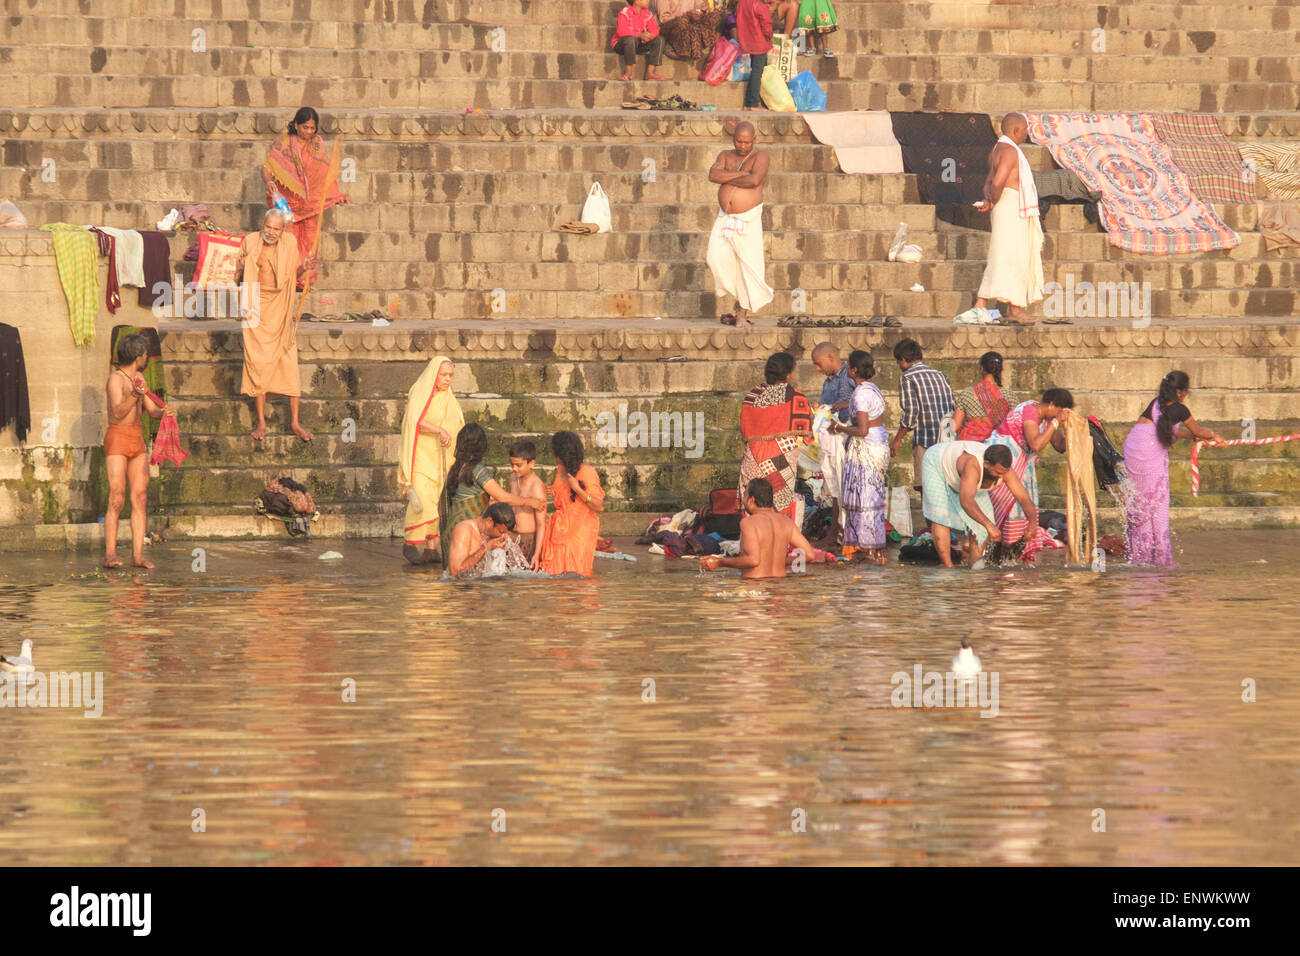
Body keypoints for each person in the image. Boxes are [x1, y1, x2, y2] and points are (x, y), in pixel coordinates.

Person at [1123, 371, 1227, 565]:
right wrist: (1213, 435)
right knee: (1157, 503)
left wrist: (1196, 437)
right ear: (1180, 392)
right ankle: (1159, 559)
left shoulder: (1156, 403)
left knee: (1141, 503)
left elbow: (1168, 430)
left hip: (1132, 449)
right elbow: (1198, 430)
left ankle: (1139, 556)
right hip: (1148, 455)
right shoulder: (1180, 409)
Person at [955, 112, 1044, 326]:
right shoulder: (1010, 152)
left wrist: (989, 199)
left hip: (1006, 205)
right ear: (1015, 131)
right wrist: (993, 200)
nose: (1026, 134)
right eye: (1024, 130)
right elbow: (997, 183)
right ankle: (982, 305)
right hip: (1010, 206)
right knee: (1006, 255)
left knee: (1013, 256)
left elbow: (988, 181)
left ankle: (1014, 309)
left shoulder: (997, 149)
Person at [237, 208, 316, 441]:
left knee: (289, 362)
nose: (270, 232)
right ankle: (261, 422)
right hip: (256, 307)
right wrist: (242, 265)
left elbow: (294, 273)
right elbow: (235, 274)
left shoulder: (289, 242)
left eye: (276, 229)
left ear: (283, 230)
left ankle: (294, 423)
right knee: (257, 362)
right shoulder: (250, 241)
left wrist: (306, 265)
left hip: (280, 308)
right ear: (263, 224)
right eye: (268, 226)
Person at [104, 333, 174, 569]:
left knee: (140, 496)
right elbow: (116, 413)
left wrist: (163, 412)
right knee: (116, 497)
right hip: (117, 439)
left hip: (136, 439)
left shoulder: (140, 377)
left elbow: (151, 410)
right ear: (138, 356)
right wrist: (134, 393)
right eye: (145, 354)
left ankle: (137, 556)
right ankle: (110, 554)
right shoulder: (115, 380)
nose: (146, 358)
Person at [260, 107, 347, 289]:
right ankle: (285, 277)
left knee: (309, 240)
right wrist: (268, 181)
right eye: (305, 127)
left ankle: (304, 280)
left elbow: (323, 172)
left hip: (309, 203)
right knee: (288, 241)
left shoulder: (317, 144)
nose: (309, 132)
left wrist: (334, 195)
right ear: (296, 125)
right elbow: (267, 167)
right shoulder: (283, 144)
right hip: (287, 203)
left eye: (312, 128)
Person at [438, 424, 545, 568]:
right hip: (468, 533)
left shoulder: (457, 468)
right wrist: (530, 502)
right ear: (481, 446)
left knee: (459, 578)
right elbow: (503, 497)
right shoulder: (477, 470)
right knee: (467, 574)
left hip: (451, 531)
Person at [922, 442, 1035, 569]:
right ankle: (947, 566)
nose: (1002, 477)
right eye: (998, 473)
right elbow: (966, 501)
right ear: (986, 464)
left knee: (981, 530)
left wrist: (1032, 523)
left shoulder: (1005, 471)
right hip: (937, 463)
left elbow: (1023, 498)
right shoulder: (972, 467)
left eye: (1004, 473)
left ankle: (975, 569)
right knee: (941, 517)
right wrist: (990, 526)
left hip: (968, 481)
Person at [398, 355, 464, 565]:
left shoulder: (448, 397)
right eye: (443, 375)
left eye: (450, 375)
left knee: (437, 503)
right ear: (434, 374)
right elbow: (414, 422)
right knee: (423, 502)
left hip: (441, 460)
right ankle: (409, 544)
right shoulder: (421, 392)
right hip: (421, 458)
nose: (447, 379)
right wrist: (439, 430)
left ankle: (431, 548)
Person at [986, 387, 1073, 545]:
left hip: (1022, 467)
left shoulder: (1047, 421)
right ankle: (1000, 547)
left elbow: (1060, 446)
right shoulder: (1031, 411)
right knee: (1008, 506)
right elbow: (1035, 444)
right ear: (1052, 405)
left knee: (1024, 507)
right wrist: (1056, 422)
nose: (1058, 415)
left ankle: (1019, 550)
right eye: (1059, 410)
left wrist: (1072, 430)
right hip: (1003, 462)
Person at [707, 121, 774, 327]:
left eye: (746, 142)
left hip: (749, 217)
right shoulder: (725, 155)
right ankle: (738, 294)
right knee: (714, 257)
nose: (742, 145)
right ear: (732, 138)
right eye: (738, 141)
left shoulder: (761, 156)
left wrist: (727, 178)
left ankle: (742, 315)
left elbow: (754, 181)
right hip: (725, 217)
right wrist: (741, 174)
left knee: (748, 264)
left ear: (754, 140)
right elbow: (712, 175)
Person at [739, 352, 813, 528]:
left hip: (754, 457)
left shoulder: (753, 396)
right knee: (780, 503)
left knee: (751, 500)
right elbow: (807, 428)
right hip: (783, 457)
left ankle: (750, 542)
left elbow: (745, 427)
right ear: (789, 374)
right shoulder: (797, 397)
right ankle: (778, 544)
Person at [830, 350, 889, 565]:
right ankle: (875, 550)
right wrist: (846, 406)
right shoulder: (871, 389)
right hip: (878, 445)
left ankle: (867, 549)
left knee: (863, 499)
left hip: (866, 449)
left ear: (854, 370)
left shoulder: (860, 394)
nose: (845, 368)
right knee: (872, 498)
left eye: (848, 366)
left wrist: (840, 427)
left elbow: (862, 430)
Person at [700, 477, 818, 579]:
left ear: (752, 500)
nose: (743, 500)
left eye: (745, 495)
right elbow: (809, 555)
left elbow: (753, 560)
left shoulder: (749, 522)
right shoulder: (787, 522)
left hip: (755, 589)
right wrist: (780, 562)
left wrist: (720, 562)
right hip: (779, 588)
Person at [889, 338, 955, 496]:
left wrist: (897, 439)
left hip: (925, 442)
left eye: (899, 362)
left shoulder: (907, 377)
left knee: (927, 491)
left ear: (903, 360)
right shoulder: (941, 375)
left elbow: (911, 413)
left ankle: (933, 522)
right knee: (946, 490)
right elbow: (953, 406)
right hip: (948, 440)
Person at [538, 431, 605, 577]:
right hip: (558, 530)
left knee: (577, 577)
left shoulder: (587, 472)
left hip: (580, 532)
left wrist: (577, 489)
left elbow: (599, 506)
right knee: (555, 577)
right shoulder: (560, 469)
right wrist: (548, 489)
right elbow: (562, 495)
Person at [810, 341, 854, 547]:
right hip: (831, 439)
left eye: (818, 364)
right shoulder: (828, 382)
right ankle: (836, 532)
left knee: (845, 487)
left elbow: (863, 402)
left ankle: (847, 534)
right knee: (835, 487)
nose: (817, 369)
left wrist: (845, 405)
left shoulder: (850, 375)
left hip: (849, 438)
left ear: (830, 358)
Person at [951, 351, 1016, 442]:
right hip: (996, 444)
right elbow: (1016, 425)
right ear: (1000, 370)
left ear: (982, 368)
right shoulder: (1009, 395)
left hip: (970, 443)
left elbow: (955, 426)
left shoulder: (967, 394)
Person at [446, 503, 517, 578]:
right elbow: (454, 571)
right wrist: (486, 547)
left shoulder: (491, 535)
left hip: (483, 585)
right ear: (489, 521)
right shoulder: (464, 530)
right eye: (501, 532)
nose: (504, 536)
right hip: (463, 587)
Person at [508, 439, 548, 568]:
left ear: (531, 464)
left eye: (518, 465)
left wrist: (537, 553)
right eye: (512, 464)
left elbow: (541, 524)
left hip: (529, 540)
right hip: (513, 536)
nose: (514, 468)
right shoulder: (512, 478)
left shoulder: (537, 486)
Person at [611, 0, 667, 82]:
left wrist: (649, 36)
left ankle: (650, 73)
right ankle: (628, 72)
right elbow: (621, 31)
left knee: (660, 40)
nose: (648, 1)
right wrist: (639, 35)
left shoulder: (647, 13)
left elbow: (655, 30)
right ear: (636, 1)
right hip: (622, 44)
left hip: (638, 43)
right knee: (630, 39)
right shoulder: (625, 12)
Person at [736, 0, 774, 111]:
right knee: (757, 73)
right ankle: (753, 104)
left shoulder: (742, 3)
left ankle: (748, 104)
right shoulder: (759, 5)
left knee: (754, 73)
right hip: (759, 42)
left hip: (747, 42)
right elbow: (766, 24)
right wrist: (770, 35)